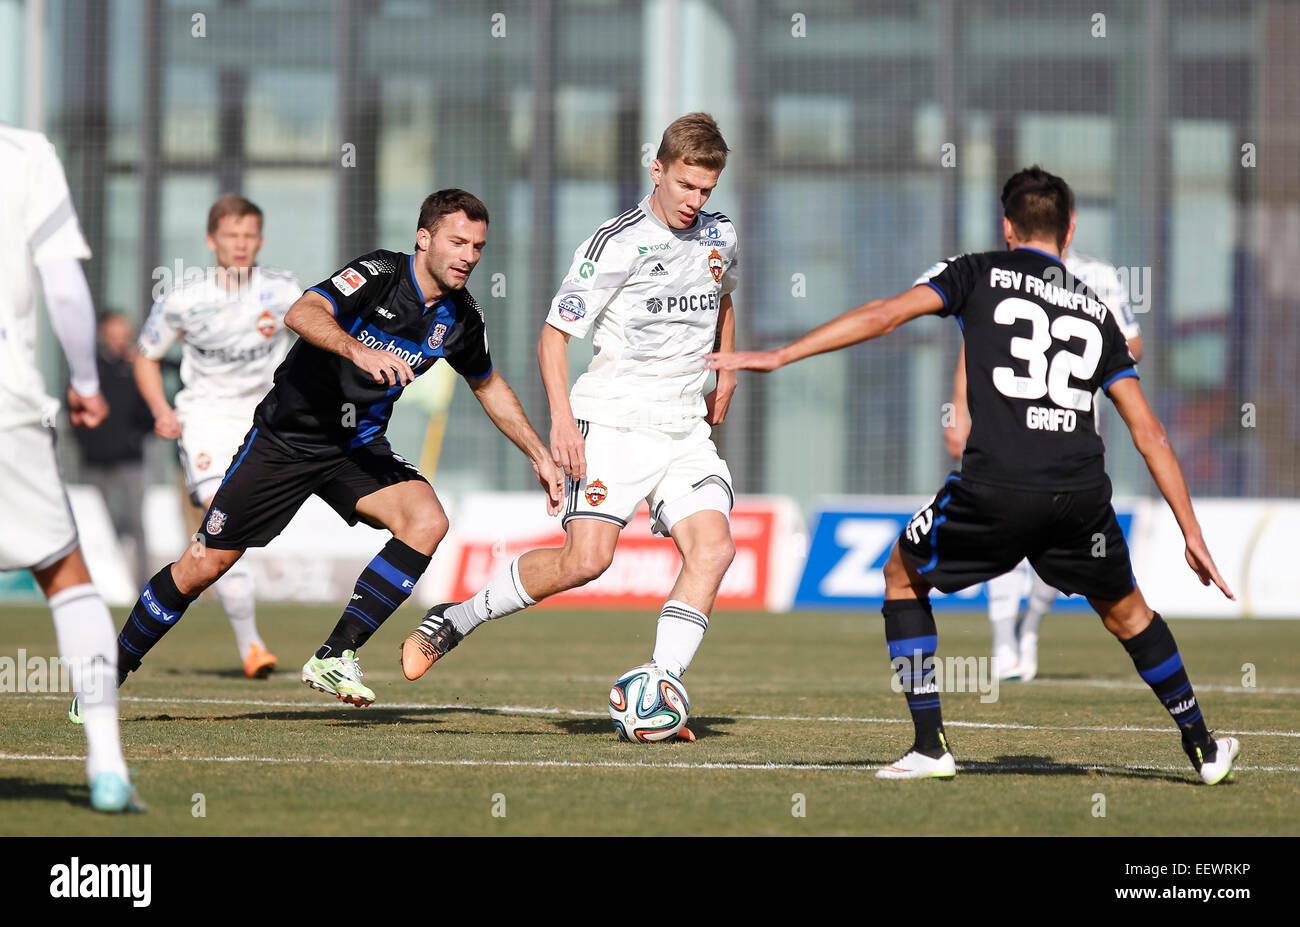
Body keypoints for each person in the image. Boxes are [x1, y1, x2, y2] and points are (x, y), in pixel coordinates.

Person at [707, 166, 1239, 784]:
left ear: (1007, 227)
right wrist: (1190, 531)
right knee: (1129, 615)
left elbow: (885, 315)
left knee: (901, 577)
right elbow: (1151, 433)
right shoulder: (1097, 311)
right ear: (1068, 232)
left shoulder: (977, 270)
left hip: (997, 484)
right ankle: (1202, 748)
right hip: (1079, 493)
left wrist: (780, 353)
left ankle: (930, 746)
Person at [89, 189, 560, 712]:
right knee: (203, 565)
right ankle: (109, 673)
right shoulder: (378, 273)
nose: (469, 256)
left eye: (477, 246)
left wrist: (537, 453)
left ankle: (336, 655)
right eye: (457, 242)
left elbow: (488, 385)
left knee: (426, 520)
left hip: (355, 448)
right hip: (286, 441)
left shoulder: (462, 318)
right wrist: (357, 348)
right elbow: (303, 311)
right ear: (423, 239)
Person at [401, 113, 740, 742]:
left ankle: (660, 686)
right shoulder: (613, 243)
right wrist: (563, 423)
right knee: (586, 562)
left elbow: (720, 296)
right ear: (657, 169)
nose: (695, 202)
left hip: (684, 428)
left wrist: (726, 370)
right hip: (612, 421)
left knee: (715, 550)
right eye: (686, 186)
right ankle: (458, 618)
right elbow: (554, 337)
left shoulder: (721, 235)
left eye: (706, 191)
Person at [0, 123, 142, 811]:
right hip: (7, 401)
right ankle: (106, 763)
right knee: (64, 571)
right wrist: (85, 376)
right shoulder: (25, 154)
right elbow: (63, 286)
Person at [944, 201, 1146, 682]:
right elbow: (975, 342)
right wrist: (957, 408)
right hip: (1006, 429)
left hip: (1072, 432)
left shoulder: (1097, 276)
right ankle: (1001, 642)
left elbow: (1132, 342)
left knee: (1054, 540)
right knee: (1002, 529)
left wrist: (1091, 345)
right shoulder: (1002, 274)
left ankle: (1030, 626)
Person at [134, 195, 301, 678]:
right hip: (204, 418)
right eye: (231, 236)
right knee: (220, 521)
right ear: (212, 241)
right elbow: (145, 356)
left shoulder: (282, 290)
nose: (241, 244)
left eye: (249, 235)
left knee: (236, 531)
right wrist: (161, 409)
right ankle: (252, 647)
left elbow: (318, 333)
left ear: (260, 240)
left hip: (264, 422)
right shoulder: (183, 297)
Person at [72, 312, 155, 588]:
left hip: (130, 462)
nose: (119, 340)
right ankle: (93, 583)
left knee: (136, 525)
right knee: (95, 527)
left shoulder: (138, 370)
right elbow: (76, 412)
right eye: (114, 334)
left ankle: (143, 585)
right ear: (103, 335)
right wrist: (88, 444)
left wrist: (133, 439)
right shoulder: (89, 371)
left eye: (124, 334)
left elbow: (151, 412)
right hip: (94, 463)